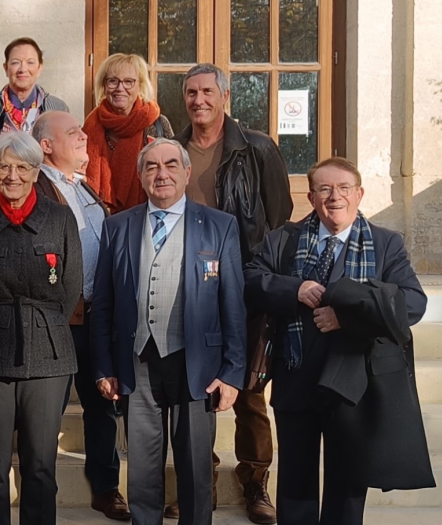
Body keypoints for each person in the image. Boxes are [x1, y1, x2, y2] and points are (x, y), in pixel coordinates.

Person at [244, 158, 434, 525]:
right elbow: (251, 280)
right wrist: (294, 289)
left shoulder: (385, 244)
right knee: (295, 486)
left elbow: (412, 302)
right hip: (296, 378)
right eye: (325, 189)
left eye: (344, 188)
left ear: (359, 194)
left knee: (347, 490)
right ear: (312, 197)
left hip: (353, 384)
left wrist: (348, 315)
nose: (335, 197)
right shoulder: (283, 239)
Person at [90, 138, 247, 525]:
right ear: (141, 176)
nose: (162, 174)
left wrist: (232, 372)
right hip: (137, 362)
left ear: (187, 172)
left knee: (195, 468)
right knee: (142, 471)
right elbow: (103, 305)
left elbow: (233, 304)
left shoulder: (220, 226)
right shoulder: (117, 227)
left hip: (198, 365)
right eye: (152, 166)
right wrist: (103, 367)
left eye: (171, 165)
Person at [170, 63, 293, 523]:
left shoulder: (257, 148)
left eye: (207, 92)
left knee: (249, 392)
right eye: (191, 92)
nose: (198, 100)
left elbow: (279, 216)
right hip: (188, 287)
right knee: (191, 389)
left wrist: (262, 277)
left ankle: (255, 482)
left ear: (225, 97)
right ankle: (199, 485)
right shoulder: (173, 149)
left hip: (245, 286)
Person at [0, 131, 82, 525]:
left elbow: (70, 287)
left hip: (48, 353)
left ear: (36, 171)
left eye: (23, 167)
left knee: (40, 464)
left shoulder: (60, 218)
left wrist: (41, 324)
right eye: (5, 166)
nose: (13, 176)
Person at [30, 111, 126, 521]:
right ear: (46, 145)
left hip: (94, 318)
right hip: (55, 320)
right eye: (72, 133)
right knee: (46, 413)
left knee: (102, 405)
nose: (83, 136)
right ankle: (40, 492)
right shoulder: (35, 188)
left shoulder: (84, 186)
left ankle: (106, 488)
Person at [83, 53, 175, 214]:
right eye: (113, 81)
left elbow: (174, 172)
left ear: (140, 85)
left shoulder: (157, 124)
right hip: (101, 219)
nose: (120, 88)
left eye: (128, 82)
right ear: (104, 85)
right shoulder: (89, 127)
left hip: (148, 216)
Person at [0, 37, 69, 141]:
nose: (23, 69)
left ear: (40, 68)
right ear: (6, 68)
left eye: (30, 62)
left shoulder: (59, 108)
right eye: (15, 62)